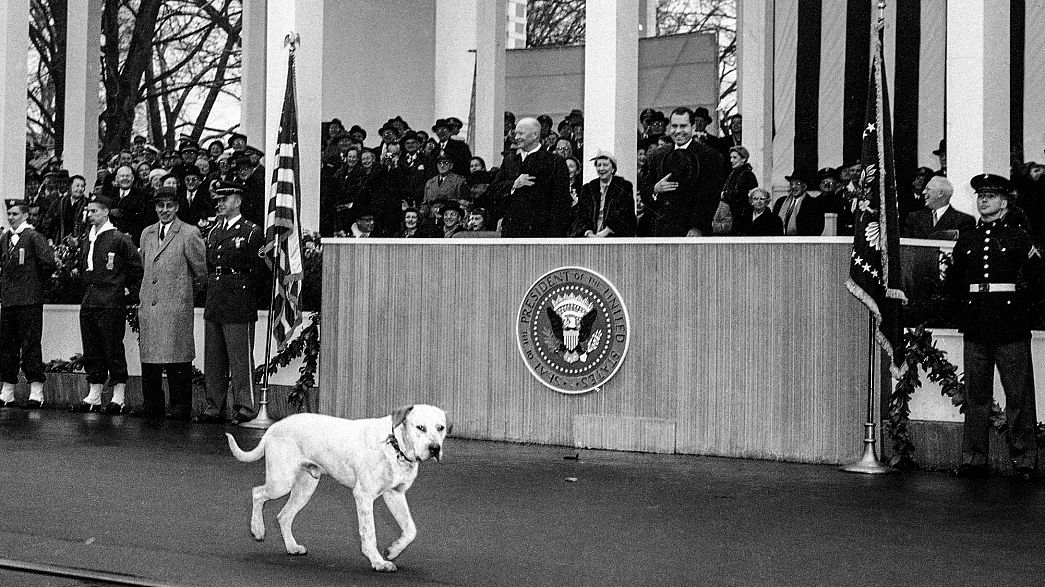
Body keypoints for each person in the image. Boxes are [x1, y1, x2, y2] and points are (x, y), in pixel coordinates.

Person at [948, 174, 1043, 480]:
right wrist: (963, 311)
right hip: (976, 323)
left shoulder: (1018, 237)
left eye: (990, 196)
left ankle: (1025, 459)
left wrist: (1020, 306)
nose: (983, 200)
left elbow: (1038, 277)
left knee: (1018, 395)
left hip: (1010, 324)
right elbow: (955, 281)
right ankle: (974, 459)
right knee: (976, 395)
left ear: (1004, 202)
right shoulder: (969, 239)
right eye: (980, 195)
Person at [197, 181, 266, 425]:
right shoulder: (214, 232)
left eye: (224, 200)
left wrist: (247, 295)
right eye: (217, 200)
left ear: (237, 201)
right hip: (216, 295)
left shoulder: (251, 231)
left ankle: (245, 406)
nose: (219, 204)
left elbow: (259, 271)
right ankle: (214, 407)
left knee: (240, 358)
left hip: (239, 296)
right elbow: (209, 263)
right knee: (214, 357)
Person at [137, 187, 207, 421]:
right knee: (150, 361)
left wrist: (181, 295)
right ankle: (152, 406)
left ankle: (180, 407)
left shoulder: (188, 233)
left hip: (175, 307)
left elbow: (200, 272)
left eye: (169, 206)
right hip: (149, 306)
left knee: (178, 359)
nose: (164, 210)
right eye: (160, 206)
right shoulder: (147, 233)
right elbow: (145, 266)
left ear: (176, 207)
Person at [71, 195, 144, 414]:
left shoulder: (119, 238)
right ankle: (94, 394)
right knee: (92, 347)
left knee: (113, 347)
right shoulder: (88, 238)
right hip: (90, 300)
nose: (89, 215)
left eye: (94, 211)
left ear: (105, 212)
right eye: (88, 211)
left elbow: (136, 268)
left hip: (111, 301)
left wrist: (127, 291)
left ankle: (118, 396)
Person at [0, 200, 57, 409]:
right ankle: (7, 389)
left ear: (25, 216)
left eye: (15, 214)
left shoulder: (34, 237)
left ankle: (36, 390)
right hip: (9, 301)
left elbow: (48, 263)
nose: (11, 217)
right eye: (9, 214)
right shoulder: (5, 238)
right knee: (7, 345)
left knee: (31, 344)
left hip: (29, 300)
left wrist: (33, 283)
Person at [639, 107, 725, 236]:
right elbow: (645, 190)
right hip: (662, 231)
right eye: (674, 126)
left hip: (693, 232)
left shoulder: (709, 156)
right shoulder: (657, 155)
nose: (678, 131)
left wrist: (697, 228)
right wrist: (655, 189)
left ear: (693, 127)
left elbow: (711, 197)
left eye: (683, 126)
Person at [492, 117, 572, 237]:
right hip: (512, 232)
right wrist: (513, 184)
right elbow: (493, 190)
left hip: (542, 234)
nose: (516, 137)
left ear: (535, 135)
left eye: (521, 133)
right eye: (515, 133)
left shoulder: (555, 162)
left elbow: (561, 203)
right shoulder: (509, 160)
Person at [571, 151, 637, 238]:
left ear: (613, 168)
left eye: (605, 165)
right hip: (591, 237)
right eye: (599, 165)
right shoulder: (588, 188)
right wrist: (588, 233)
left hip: (615, 237)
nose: (601, 169)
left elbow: (625, 214)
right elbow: (581, 215)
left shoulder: (623, 186)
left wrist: (607, 230)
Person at [904, 176, 975, 240]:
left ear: (940, 193)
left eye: (928, 189)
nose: (923, 192)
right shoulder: (914, 218)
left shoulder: (964, 221)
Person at [720, 146, 759, 234]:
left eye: (735, 158)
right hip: (731, 215)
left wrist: (724, 195)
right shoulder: (734, 173)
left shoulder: (747, 175)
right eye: (731, 157)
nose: (731, 161)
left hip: (742, 217)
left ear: (744, 159)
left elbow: (740, 195)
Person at [772, 170, 823, 236]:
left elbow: (816, 229)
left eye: (797, 183)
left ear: (805, 186)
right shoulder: (780, 202)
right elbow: (773, 223)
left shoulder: (813, 204)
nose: (793, 187)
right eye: (791, 184)